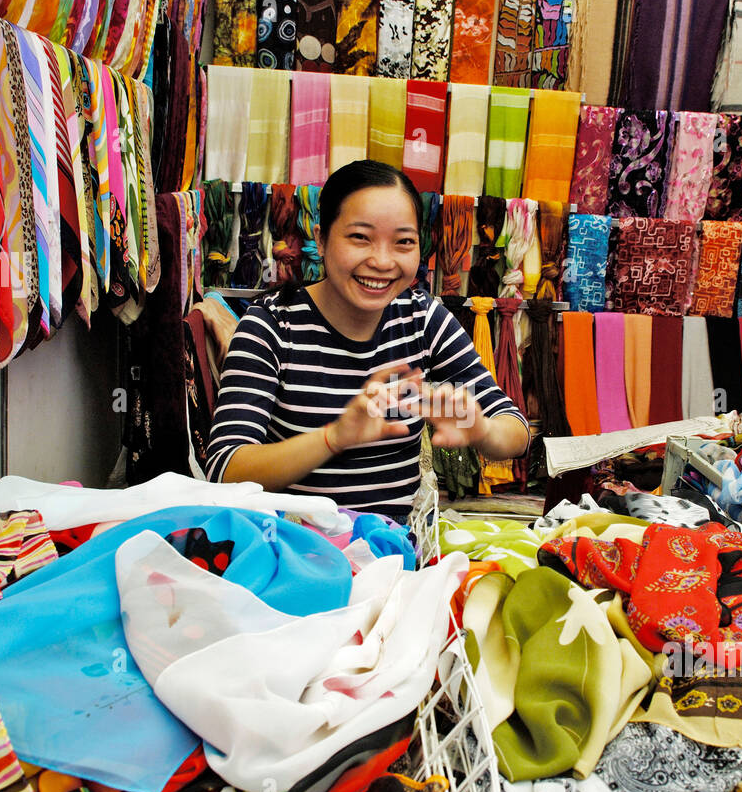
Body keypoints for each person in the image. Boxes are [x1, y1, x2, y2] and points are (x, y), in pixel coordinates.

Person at [204, 160, 530, 522]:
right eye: (360, 237)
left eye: (403, 242)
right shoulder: (272, 325)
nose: (382, 261)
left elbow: (515, 430)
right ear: (321, 238)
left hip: (395, 555)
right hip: (296, 553)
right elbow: (224, 469)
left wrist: (482, 429)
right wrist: (335, 437)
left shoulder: (421, 319)